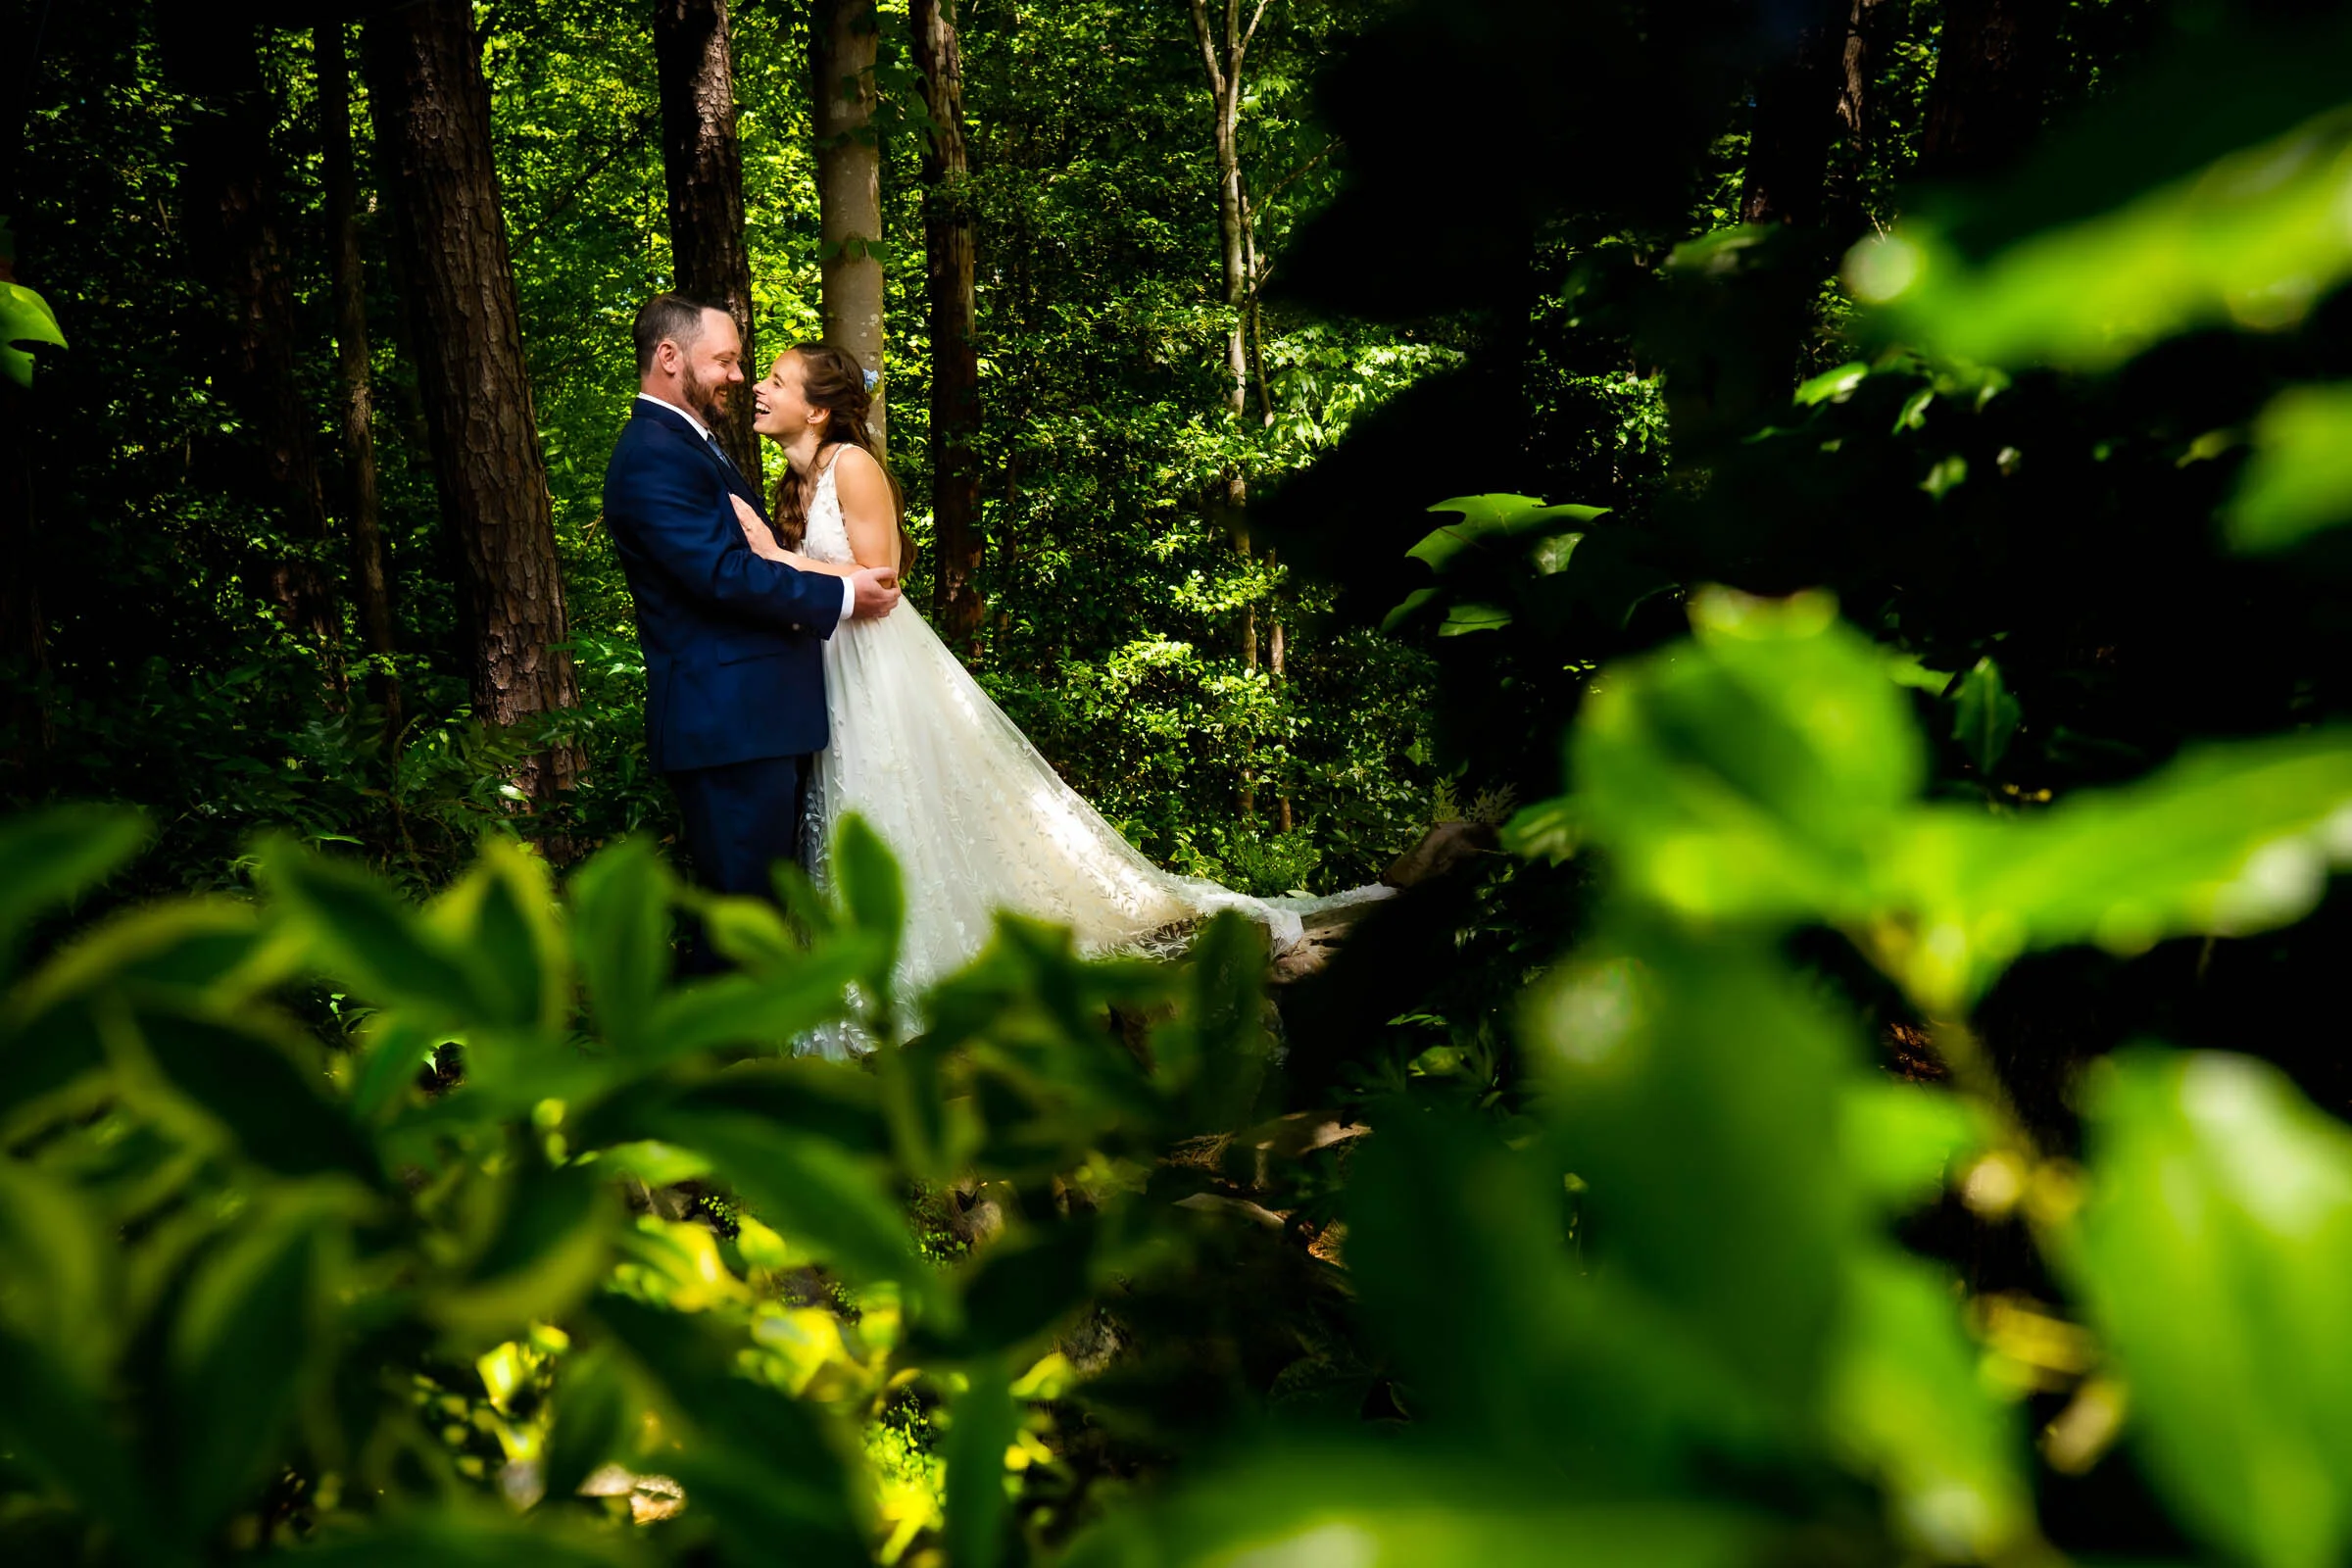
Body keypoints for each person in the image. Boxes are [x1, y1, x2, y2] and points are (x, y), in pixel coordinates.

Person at [730, 342, 1390, 1054]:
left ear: (819, 409)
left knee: (887, 798)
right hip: (830, 667)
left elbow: (881, 583)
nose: (761, 390)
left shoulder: (853, 467)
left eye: (775, 381)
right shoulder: (799, 476)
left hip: (874, 667)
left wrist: (777, 556)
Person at [602, 296, 903, 971]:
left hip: (754, 720)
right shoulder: (654, 454)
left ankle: (744, 1053)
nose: (739, 378)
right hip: (728, 725)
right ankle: (723, 1066)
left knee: (756, 912)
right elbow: (722, 574)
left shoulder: (687, 444)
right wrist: (841, 590)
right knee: (740, 923)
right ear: (669, 357)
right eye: (727, 361)